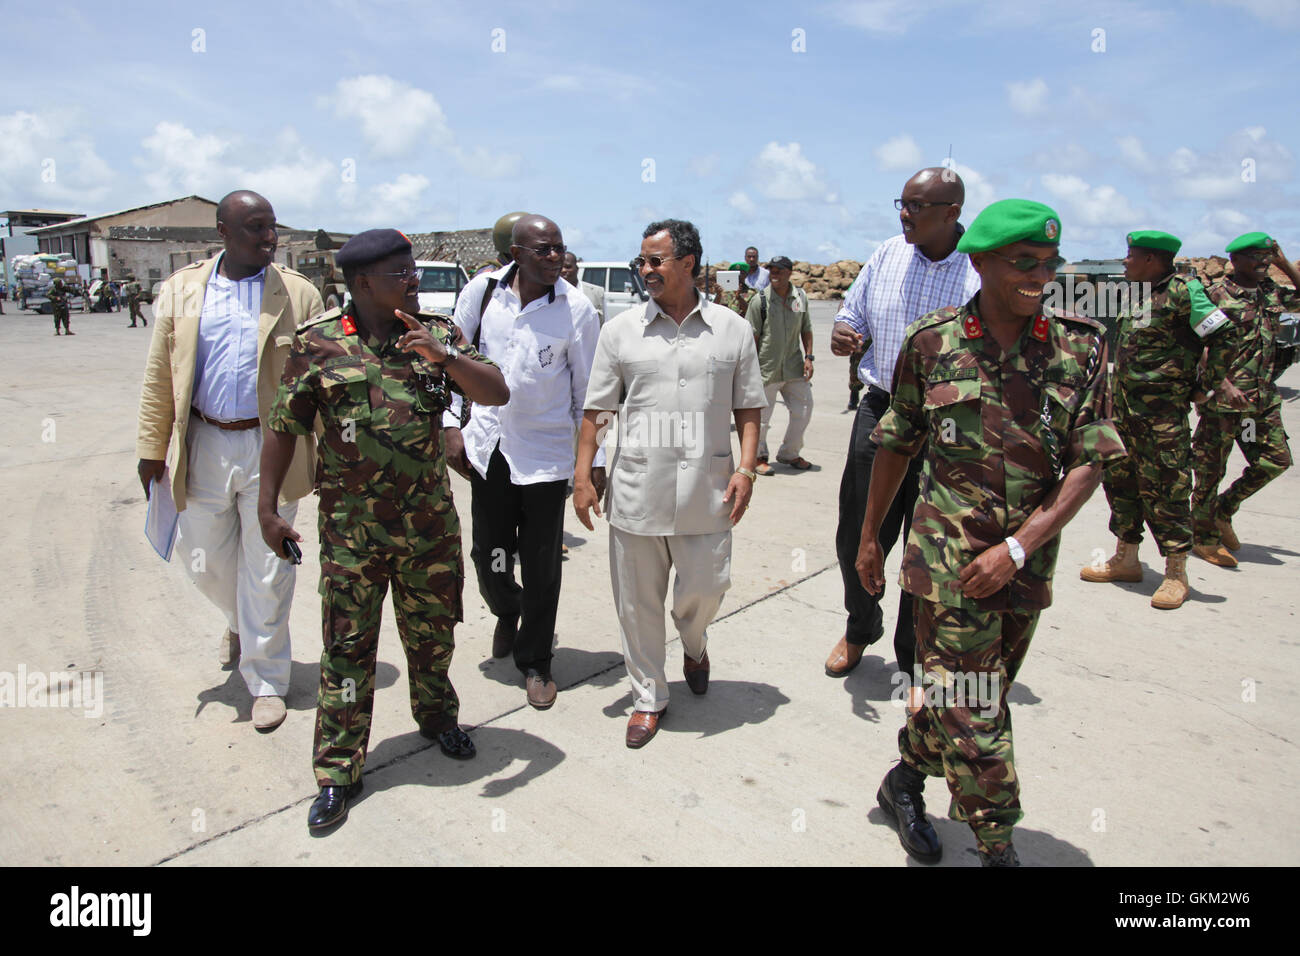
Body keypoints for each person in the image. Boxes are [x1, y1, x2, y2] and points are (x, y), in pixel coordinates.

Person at [858, 199, 1123, 866]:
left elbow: (1091, 458)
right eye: (1024, 262)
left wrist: (1021, 546)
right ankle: (997, 844)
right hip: (946, 567)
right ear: (980, 260)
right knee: (977, 716)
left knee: (970, 699)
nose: (1041, 274)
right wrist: (869, 539)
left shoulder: (1081, 345)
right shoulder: (932, 342)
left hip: (1024, 567)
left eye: (1050, 262)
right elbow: (895, 444)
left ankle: (904, 781)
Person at [259, 228, 509, 831]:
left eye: (413, 270)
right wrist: (266, 509)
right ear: (364, 282)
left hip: (428, 527)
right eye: (401, 273)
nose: (414, 280)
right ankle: (338, 771)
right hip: (352, 533)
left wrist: (443, 358)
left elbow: (497, 390)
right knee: (346, 650)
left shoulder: (437, 333)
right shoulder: (318, 345)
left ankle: (438, 717)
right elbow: (283, 427)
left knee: (432, 635)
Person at [574, 219, 766, 749]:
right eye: (642, 261)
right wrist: (582, 474)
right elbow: (596, 409)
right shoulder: (620, 331)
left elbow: (749, 406)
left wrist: (747, 469)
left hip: (710, 489)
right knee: (636, 602)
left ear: (688, 263)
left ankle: (695, 642)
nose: (645, 270)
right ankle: (648, 697)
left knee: (706, 588)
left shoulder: (732, 329)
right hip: (638, 488)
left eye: (655, 260)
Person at [136, 190, 322, 732]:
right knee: (207, 563)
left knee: (268, 568)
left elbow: (322, 380)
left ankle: (266, 681)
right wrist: (151, 450)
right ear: (222, 231)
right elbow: (158, 378)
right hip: (203, 443)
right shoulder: (183, 290)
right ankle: (238, 623)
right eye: (255, 228)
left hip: (273, 447)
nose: (269, 239)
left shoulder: (298, 294)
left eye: (272, 228)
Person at [825, 167, 980, 681]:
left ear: (952, 213)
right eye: (903, 202)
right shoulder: (889, 253)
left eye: (916, 205)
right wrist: (846, 330)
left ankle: (914, 656)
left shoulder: (979, 269)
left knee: (928, 545)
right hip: (882, 410)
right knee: (857, 534)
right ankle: (859, 625)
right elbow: (853, 312)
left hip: (950, 425)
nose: (904, 213)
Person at [443, 216, 602, 710]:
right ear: (516, 252)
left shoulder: (576, 310)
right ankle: (507, 609)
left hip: (547, 457)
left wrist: (585, 466)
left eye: (560, 249)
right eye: (544, 250)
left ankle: (536, 660)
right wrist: (451, 426)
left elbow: (588, 396)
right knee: (488, 558)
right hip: (488, 450)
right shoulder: (482, 293)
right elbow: (450, 360)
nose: (555, 258)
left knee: (541, 564)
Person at [1080, 231, 1235, 608]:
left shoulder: (1184, 291)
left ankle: (1177, 574)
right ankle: (1126, 558)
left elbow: (1224, 336)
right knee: (1121, 483)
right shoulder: (1140, 294)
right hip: (1125, 413)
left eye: (1131, 256)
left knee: (1168, 489)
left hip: (1162, 418)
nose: (1125, 261)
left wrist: (1206, 386)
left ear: (1151, 260)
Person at [1190, 232, 1300, 566]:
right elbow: (1197, 346)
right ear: (1235, 260)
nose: (1263, 262)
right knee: (1210, 473)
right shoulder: (1215, 295)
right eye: (1256, 256)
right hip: (1223, 404)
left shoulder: (1270, 292)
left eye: (1268, 257)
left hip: (1260, 405)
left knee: (1274, 460)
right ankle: (1204, 538)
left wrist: (1285, 264)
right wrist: (1220, 383)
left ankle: (1224, 510)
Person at [746, 255, 815, 474]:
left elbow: (806, 328)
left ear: (789, 272)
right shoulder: (760, 301)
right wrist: (749, 369)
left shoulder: (800, 297)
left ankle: (789, 453)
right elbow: (751, 337)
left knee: (803, 410)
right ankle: (758, 457)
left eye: (778, 270)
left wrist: (809, 357)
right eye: (771, 270)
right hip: (766, 368)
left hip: (794, 366)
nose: (774, 274)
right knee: (762, 418)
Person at [561, 251, 605, 323]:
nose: (563, 270)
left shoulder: (596, 293)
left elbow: (605, 321)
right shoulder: (550, 294)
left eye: (568, 267)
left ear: (577, 269)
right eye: (560, 267)